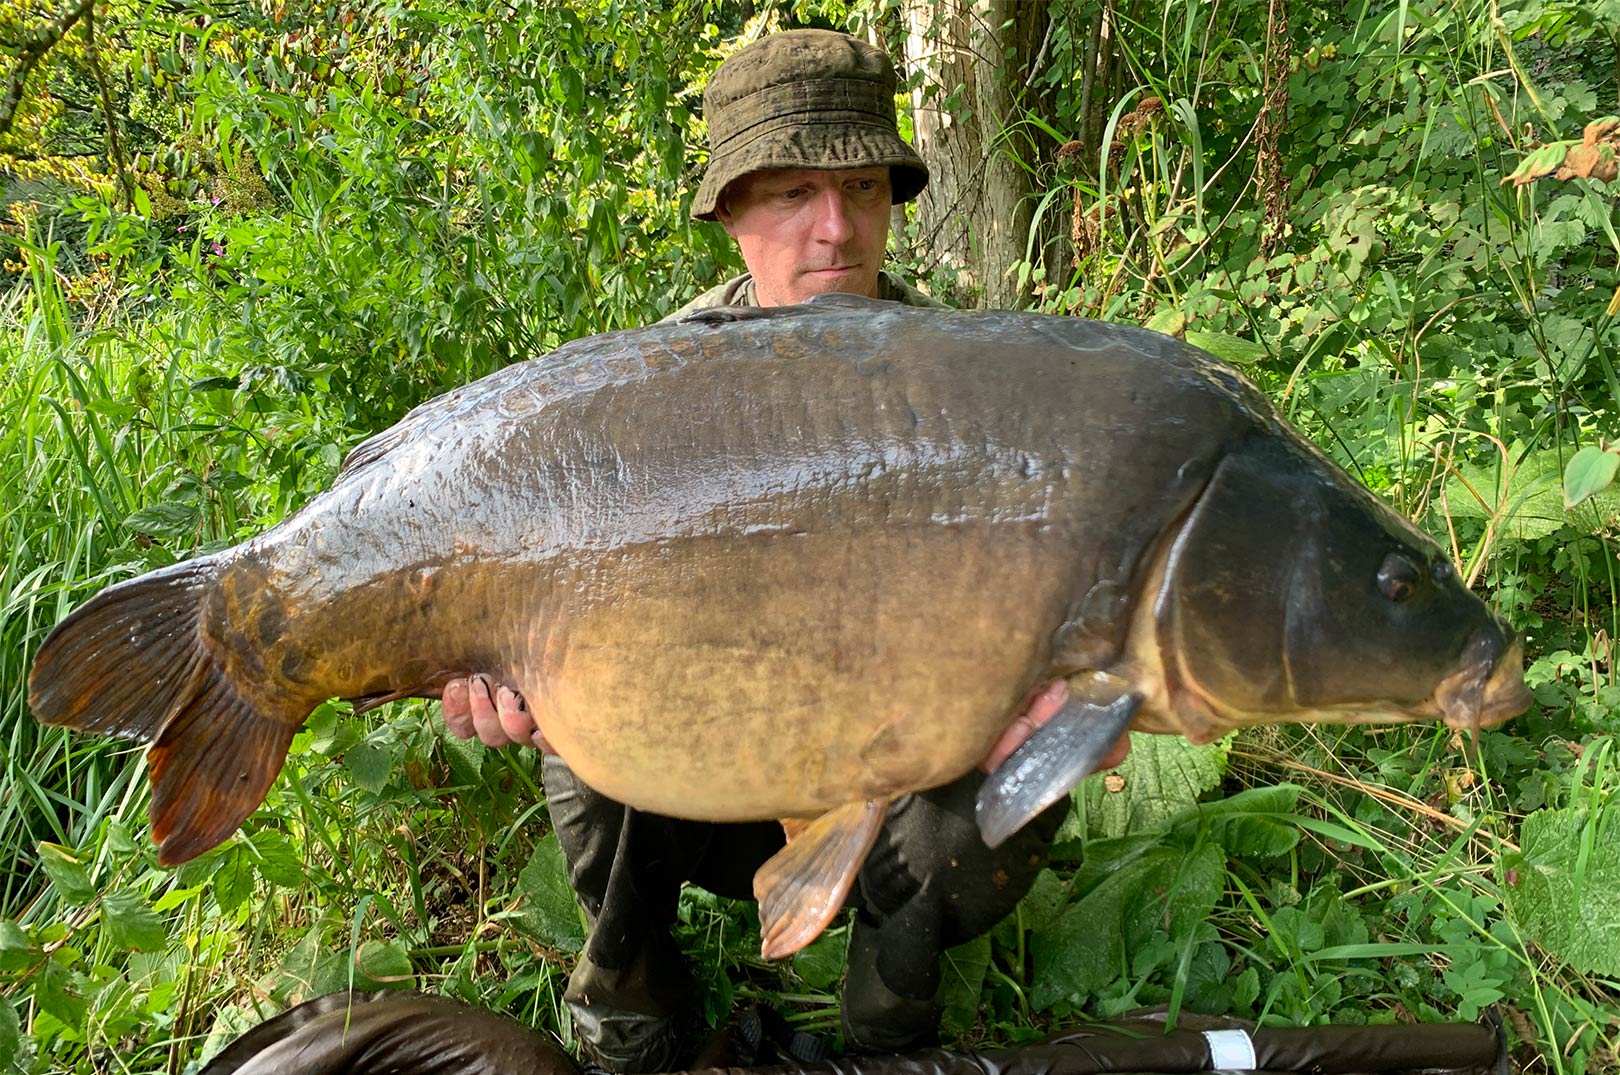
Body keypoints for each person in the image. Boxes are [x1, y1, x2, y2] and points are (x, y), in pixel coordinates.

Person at [440, 29, 1130, 1072]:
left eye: (862, 185)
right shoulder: (649, 394)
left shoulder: (973, 393)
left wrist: (1080, 684)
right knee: (583, 742)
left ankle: (890, 1018)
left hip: (895, 779)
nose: (836, 228)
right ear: (728, 213)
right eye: (792, 192)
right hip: (712, 781)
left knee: (1005, 775)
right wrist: (502, 674)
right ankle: (631, 989)